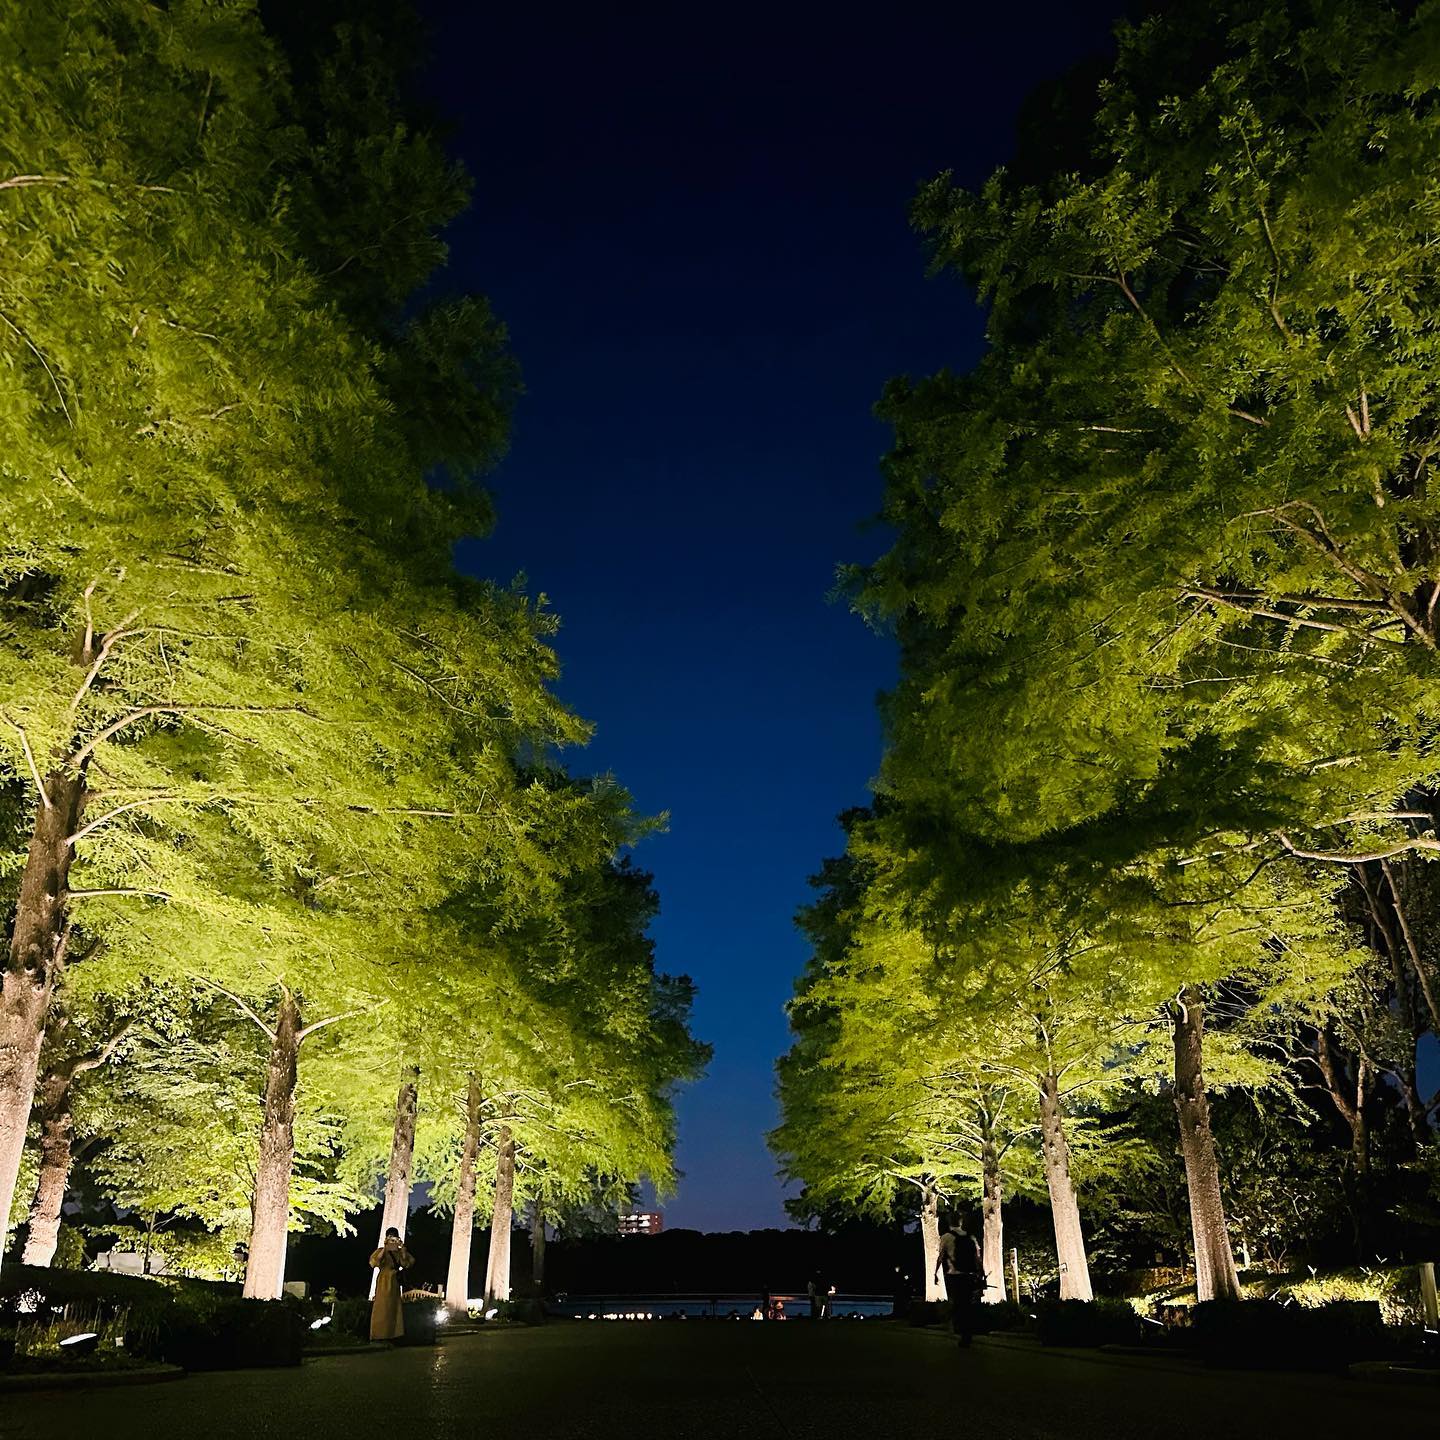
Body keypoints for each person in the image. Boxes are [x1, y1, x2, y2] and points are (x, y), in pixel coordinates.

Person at [935, 1216, 983, 1347]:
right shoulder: (971, 1237)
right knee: (967, 1303)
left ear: (950, 1224)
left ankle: (957, 1328)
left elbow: (941, 1257)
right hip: (969, 1275)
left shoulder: (946, 1237)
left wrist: (935, 1273)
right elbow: (977, 1257)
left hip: (954, 1275)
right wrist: (981, 1272)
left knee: (956, 1303)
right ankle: (967, 1332)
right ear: (961, 1223)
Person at [369, 1226, 414, 1342]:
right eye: (390, 1239)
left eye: (394, 1239)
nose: (393, 1242)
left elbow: (407, 1264)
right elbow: (374, 1262)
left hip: (395, 1281)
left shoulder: (399, 1252)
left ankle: (393, 1334)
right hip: (384, 1280)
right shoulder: (381, 1251)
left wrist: (403, 1249)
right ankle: (378, 1334)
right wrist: (385, 1247)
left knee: (394, 1308)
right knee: (382, 1306)